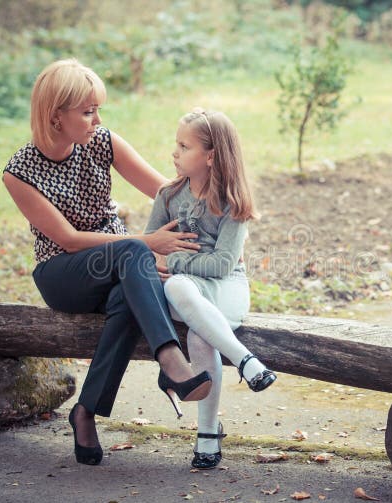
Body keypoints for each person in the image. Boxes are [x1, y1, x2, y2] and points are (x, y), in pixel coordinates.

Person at [2, 59, 213, 466]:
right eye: (87, 111)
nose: (98, 119)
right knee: (136, 253)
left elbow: (164, 191)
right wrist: (147, 241)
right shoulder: (19, 172)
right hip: (64, 272)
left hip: (119, 262)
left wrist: (216, 205)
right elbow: (67, 238)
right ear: (55, 117)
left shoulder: (102, 141)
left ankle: (85, 411)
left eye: (98, 108)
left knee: (128, 300)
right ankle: (170, 359)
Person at [145, 107, 277, 470]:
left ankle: (207, 432)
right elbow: (152, 247)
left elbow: (222, 265)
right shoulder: (168, 196)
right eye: (176, 144)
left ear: (211, 155)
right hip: (182, 293)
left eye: (184, 146)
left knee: (201, 335)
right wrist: (172, 264)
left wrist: (173, 263)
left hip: (226, 289)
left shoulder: (232, 200)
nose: (174, 153)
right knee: (178, 290)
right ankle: (246, 361)